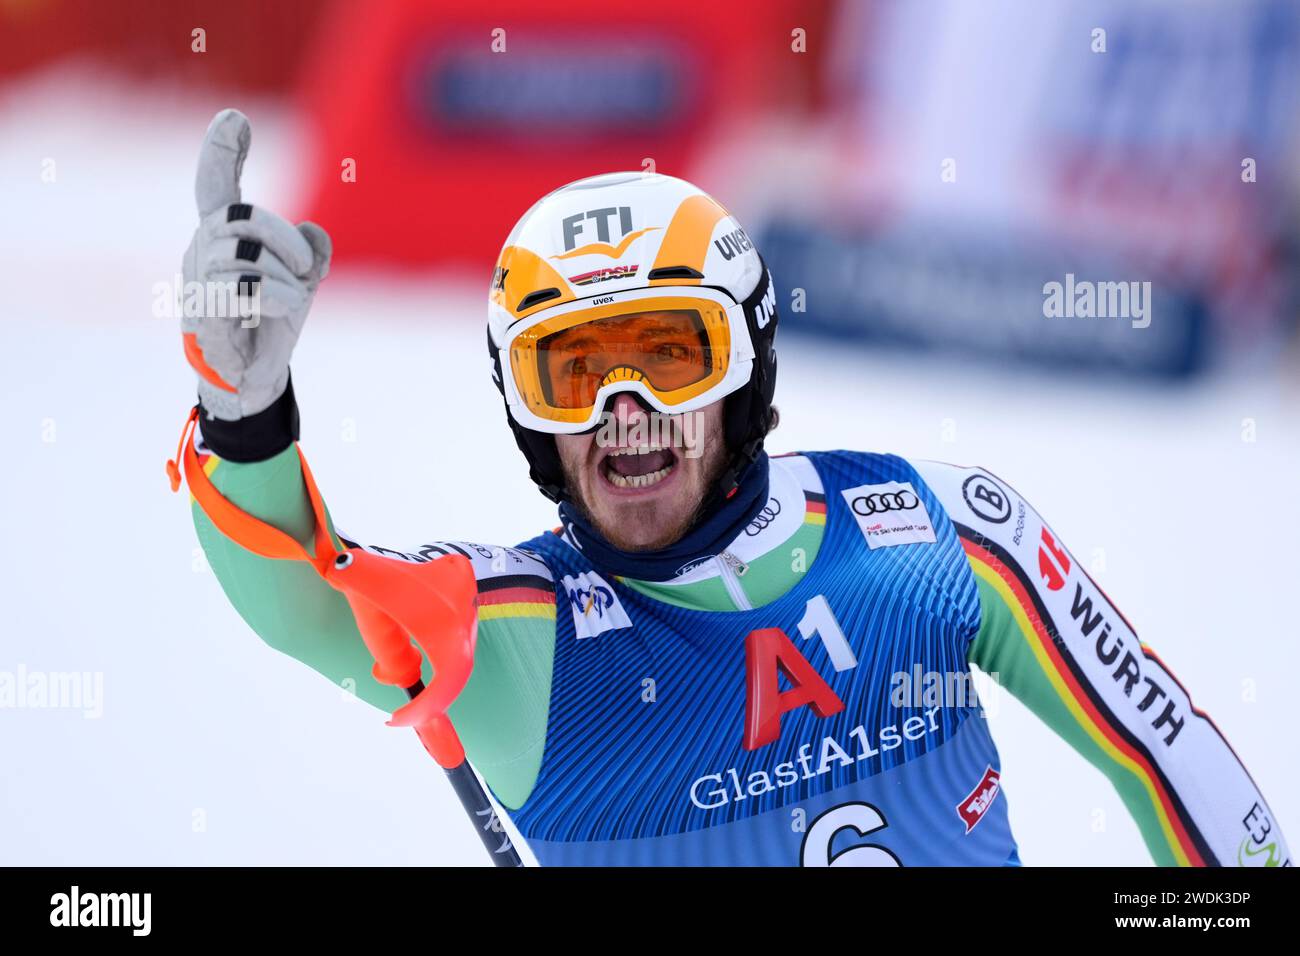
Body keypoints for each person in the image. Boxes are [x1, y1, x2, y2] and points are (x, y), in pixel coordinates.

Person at [174, 109, 1289, 867]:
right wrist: (244, 421)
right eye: (573, 373)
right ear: (526, 413)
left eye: (670, 356)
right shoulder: (521, 639)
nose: (624, 410)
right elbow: (308, 604)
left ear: (746, 370)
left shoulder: (937, 531)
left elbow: (1160, 748)